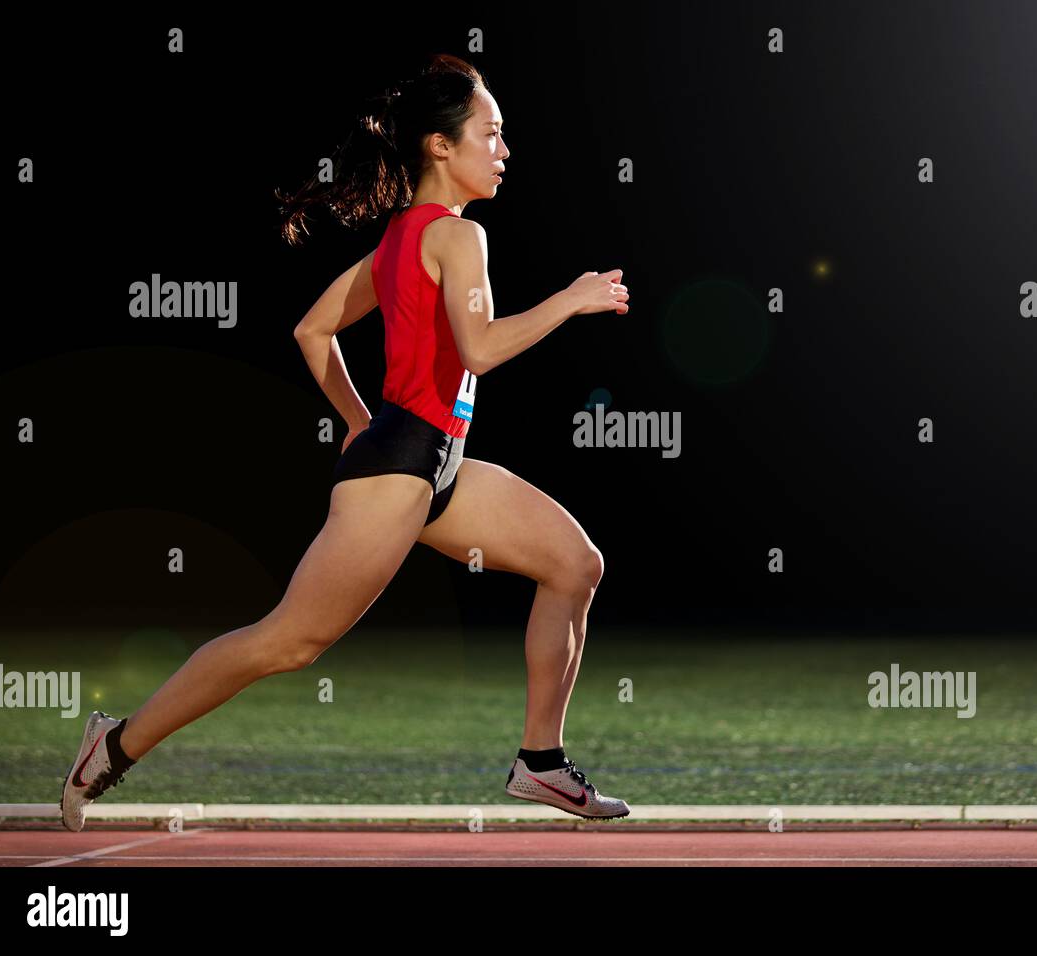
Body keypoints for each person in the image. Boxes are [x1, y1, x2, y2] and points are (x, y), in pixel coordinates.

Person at [60, 53, 632, 831]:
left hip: (433, 461)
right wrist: (572, 299)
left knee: (575, 564)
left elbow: (311, 329)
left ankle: (540, 763)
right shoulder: (459, 239)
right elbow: (482, 349)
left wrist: (360, 419)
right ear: (440, 145)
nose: (504, 151)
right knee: (288, 643)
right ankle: (114, 746)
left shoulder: (404, 238)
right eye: (491, 134)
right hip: (402, 467)